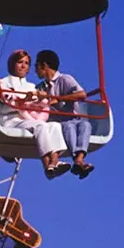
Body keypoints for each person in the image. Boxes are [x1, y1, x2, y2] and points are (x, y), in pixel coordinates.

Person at [0, 49, 69, 178]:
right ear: (13, 64)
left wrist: (42, 97)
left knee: (54, 125)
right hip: (12, 120)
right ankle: (49, 163)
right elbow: (4, 97)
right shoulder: (4, 82)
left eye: (26, 63)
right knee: (40, 126)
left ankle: (54, 163)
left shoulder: (31, 86)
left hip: (28, 118)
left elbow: (37, 104)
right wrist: (23, 98)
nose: (23, 66)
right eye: (20, 62)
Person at [35, 50, 95, 179]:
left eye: (37, 66)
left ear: (44, 66)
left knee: (85, 125)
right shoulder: (40, 87)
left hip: (73, 117)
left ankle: (79, 159)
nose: (35, 71)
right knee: (68, 127)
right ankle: (77, 160)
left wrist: (60, 98)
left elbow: (81, 94)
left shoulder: (64, 79)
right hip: (58, 122)